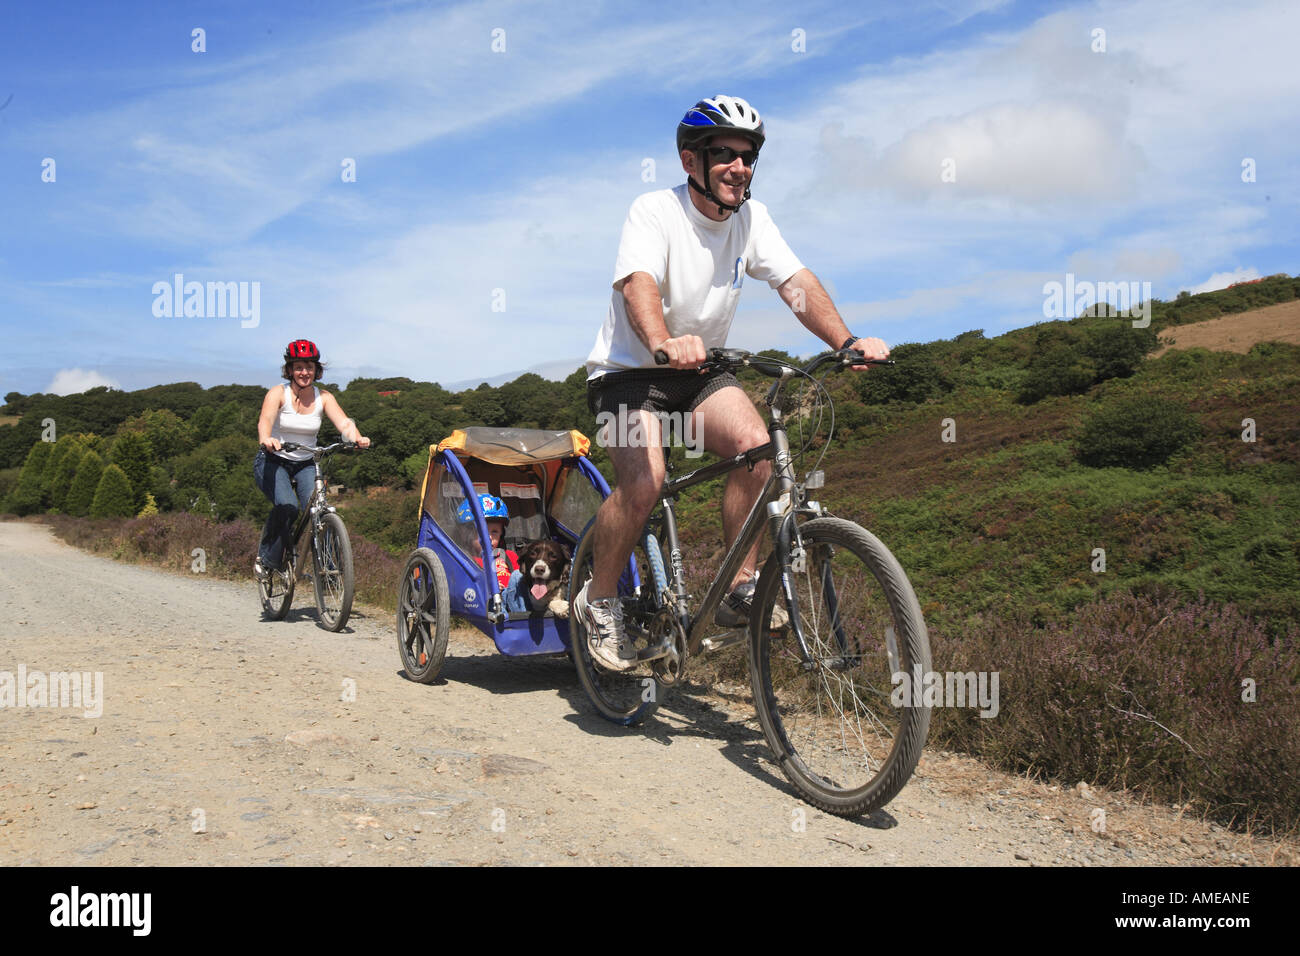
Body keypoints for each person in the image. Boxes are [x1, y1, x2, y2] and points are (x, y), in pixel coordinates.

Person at [575, 95, 889, 670]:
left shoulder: (752, 220)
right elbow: (638, 283)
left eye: (749, 157)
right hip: (628, 374)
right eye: (725, 154)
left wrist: (843, 342)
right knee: (645, 481)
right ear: (691, 160)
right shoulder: (654, 210)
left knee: (758, 451)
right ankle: (598, 602)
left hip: (699, 373)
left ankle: (739, 587)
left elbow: (795, 282)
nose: (739, 168)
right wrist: (663, 340)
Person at [253, 339, 370, 578]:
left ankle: (329, 570)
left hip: (306, 462)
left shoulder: (324, 397)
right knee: (288, 507)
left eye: (309, 366)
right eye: (298, 367)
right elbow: (265, 420)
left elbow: (344, 422)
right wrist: (267, 438)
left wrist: (357, 437)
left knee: (319, 509)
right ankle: (267, 560)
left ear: (317, 370)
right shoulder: (278, 393)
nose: (304, 372)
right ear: (289, 370)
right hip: (273, 460)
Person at [457, 494, 526, 612]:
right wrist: (489, 587)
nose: (488, 537)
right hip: (489, 602)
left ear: (502, 535)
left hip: (515, 599)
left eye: (495, 532)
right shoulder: (466, 561)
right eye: (481, 532)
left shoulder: (509, 556)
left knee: (518, 576)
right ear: (467, 534)